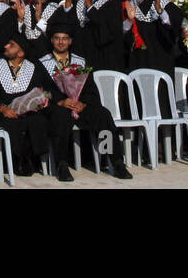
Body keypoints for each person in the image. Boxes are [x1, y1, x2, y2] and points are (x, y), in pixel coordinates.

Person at [39, 22, 132, 181]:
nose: (61, 42)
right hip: (58, 106)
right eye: (57, 38)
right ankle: (62, 164)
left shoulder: (80, 62)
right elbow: (41, 90)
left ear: (70, 41)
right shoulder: (42, 63)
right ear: (52, 41)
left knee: (102, 114)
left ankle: (115, 161)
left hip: (80, 105)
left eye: (65, 38)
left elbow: (90, 89)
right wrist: (60, 101)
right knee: (59, 117)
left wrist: (83, 103)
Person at [0, 35, 72, 177]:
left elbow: (49, 89)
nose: (6, 46)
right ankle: (18, 160)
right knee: (13, 123)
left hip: (30, 112)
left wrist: (48, 100)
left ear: (21, 53)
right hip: (4, 112)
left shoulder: (33, 67)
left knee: (44, 119)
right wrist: (2, 108)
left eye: (11, 45)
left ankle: (55, 162)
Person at [121, 0, 181, 76]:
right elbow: (123, 37)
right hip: (138, 62)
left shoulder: (164, 3)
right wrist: (129, 20)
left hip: (162, 61)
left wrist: (160, 12)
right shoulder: (128, 6)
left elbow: (173, 29)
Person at [67, 0, 125, 71]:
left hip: (107, 55)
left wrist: (89, 5)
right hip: (87, 54)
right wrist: (68, 2)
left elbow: (108, 29)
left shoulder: (113, 2)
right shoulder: (80, 2)